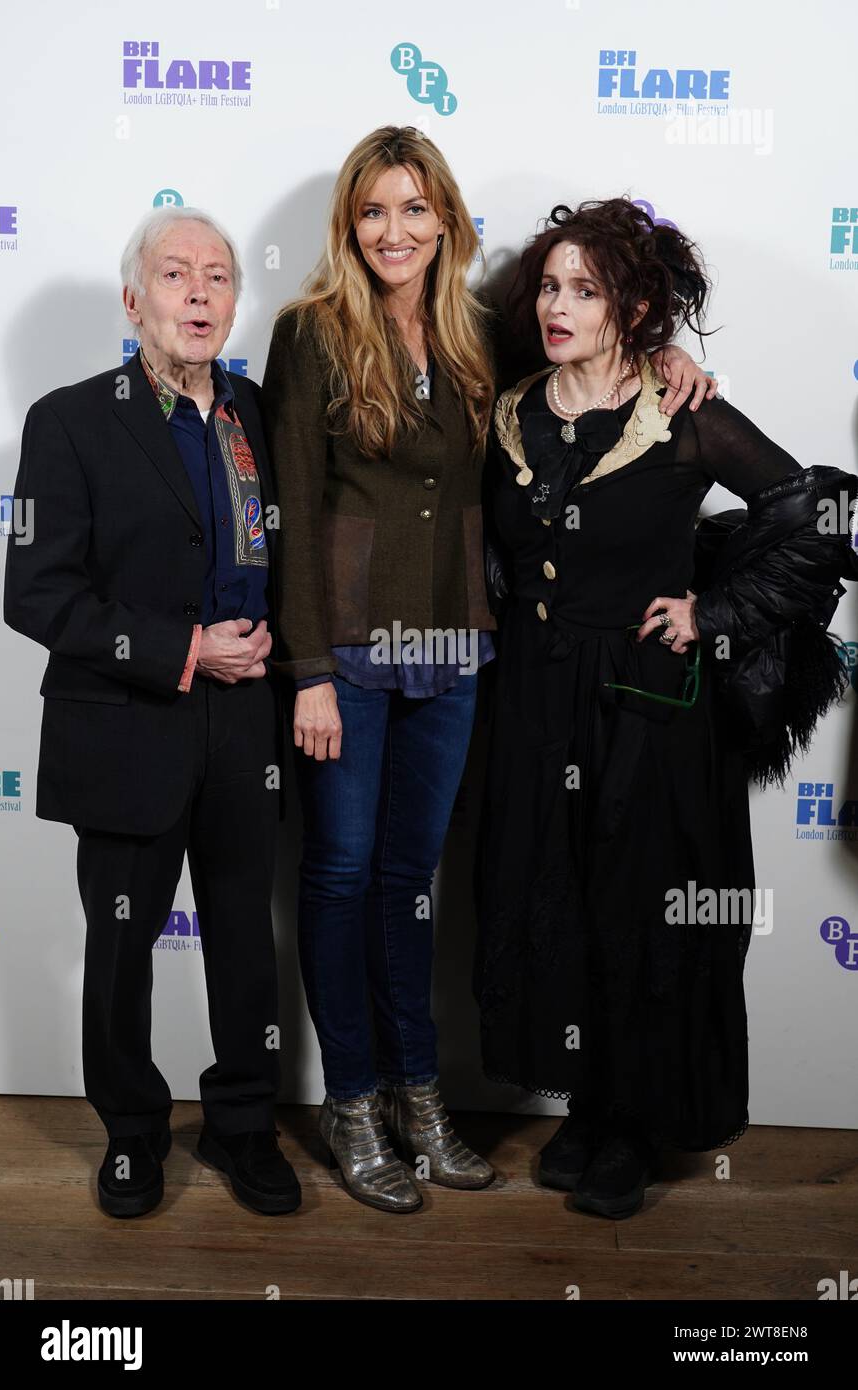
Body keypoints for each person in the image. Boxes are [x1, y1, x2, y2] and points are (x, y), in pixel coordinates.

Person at [261, 127, 713, 1213]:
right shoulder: (311, 333)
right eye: (373, 211)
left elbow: (583, 374)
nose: (394, 231)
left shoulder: (478, 330)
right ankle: (355, 1104)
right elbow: (295, 512)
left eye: (415, 209)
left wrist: (670, 359)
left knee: (410, 886)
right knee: (339, 875)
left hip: (461, 653)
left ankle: (424, 1097)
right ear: (348, 225)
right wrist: (309, 670)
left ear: (447, 219)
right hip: (355, 659)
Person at [474, 197, 858, 1220]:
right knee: (557, 897)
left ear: (635, 304)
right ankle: (590, 1106)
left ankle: (637, 1125)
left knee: (641, 915)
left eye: (585, 289)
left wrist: (717, 608)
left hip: (646, 708)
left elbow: (827, 512)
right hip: (535, 704)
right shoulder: (510, 411)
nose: (558, 305)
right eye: (550, 286)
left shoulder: (684, 415)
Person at [3, 208, 300, 1218]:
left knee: (247, 945)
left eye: (218, 276)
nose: (201, 293)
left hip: (247, 727)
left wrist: (279, 656)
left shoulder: (257, 413)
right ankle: (132, 1134)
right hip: (129, 725)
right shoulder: (69, 420)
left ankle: (245, 1123)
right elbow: (35, 593)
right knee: (123, 945)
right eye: (176, 275)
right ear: (135, 300)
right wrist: (182, 651)